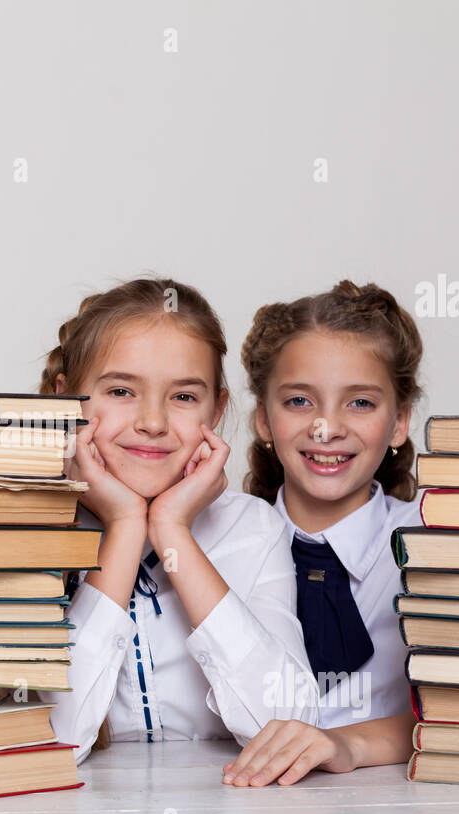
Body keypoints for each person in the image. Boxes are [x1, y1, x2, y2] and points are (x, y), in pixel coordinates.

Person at [36, 277, 317, 764]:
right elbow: (56, 743)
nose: (153, 422)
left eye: (183, 397)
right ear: (67, 400)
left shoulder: (254, 528)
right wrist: (125, 527)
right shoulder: (20, 530)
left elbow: (288, 726)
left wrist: (171, 530)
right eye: (121, 390)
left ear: (218, 408)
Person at [222, 279, 423, 787]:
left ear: (399, 422)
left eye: (360, 403)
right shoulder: (217, 546)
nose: (325, 428)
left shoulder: (434, 542)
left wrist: (347, 744)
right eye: (298, 402)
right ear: (263, 420)